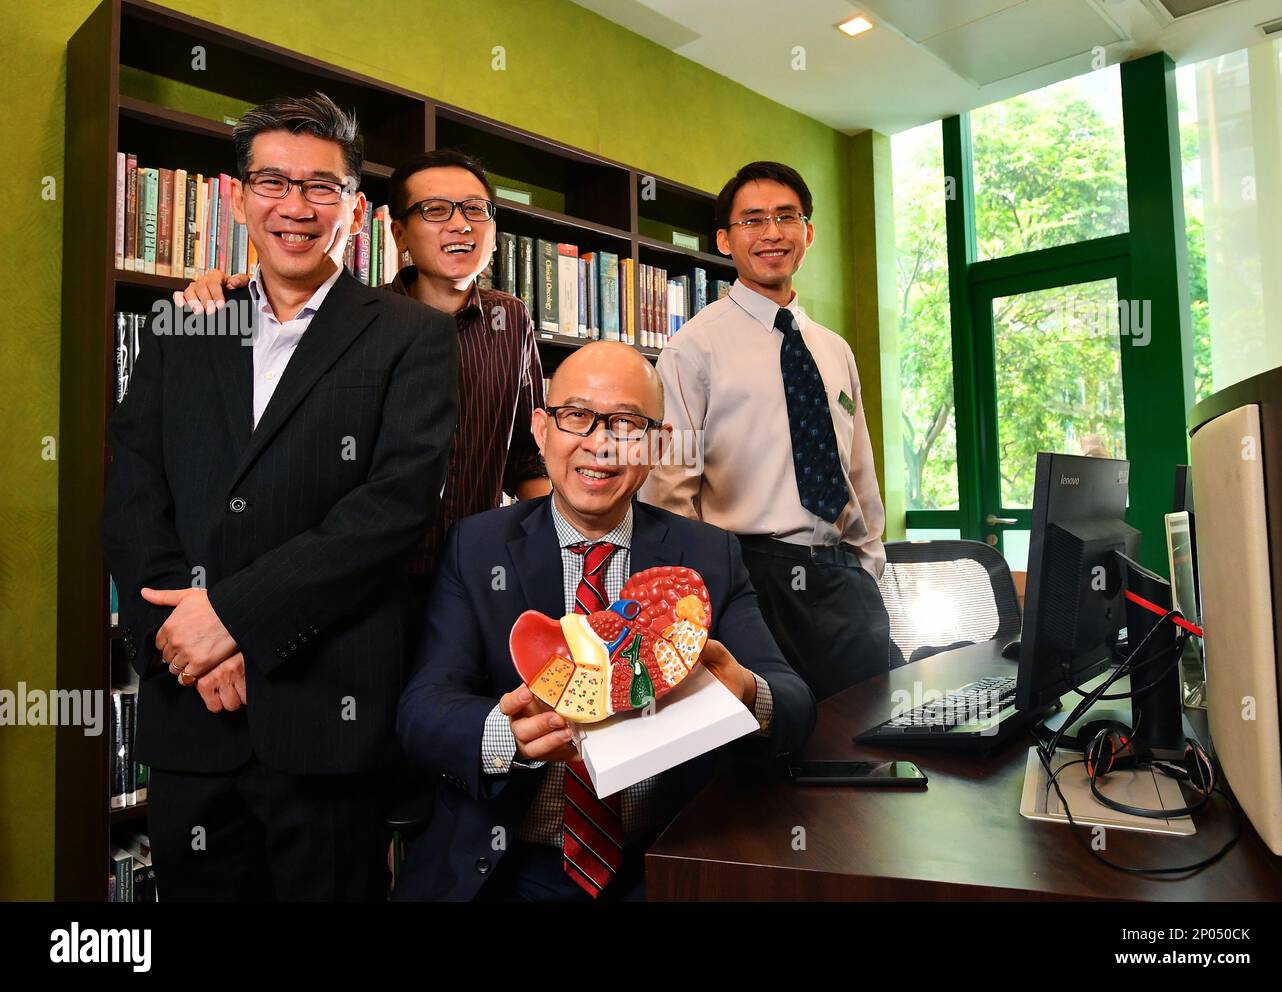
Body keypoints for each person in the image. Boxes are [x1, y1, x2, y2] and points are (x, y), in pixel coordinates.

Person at [102, 92, 458, 900]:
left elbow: (392, 510)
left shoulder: (412, 337)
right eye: (272, 182)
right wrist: (178, 637)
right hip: (192, 711)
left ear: (354, 209)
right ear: (236, 196)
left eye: (321, 187)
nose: (295, 207)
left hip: (325, 715)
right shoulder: (183, 326)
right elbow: (131, 496)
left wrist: (233, 618)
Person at [395, 341, 816, 900]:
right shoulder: (477, 548)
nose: (600, 444)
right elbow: (422, 710)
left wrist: (745, 691)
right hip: (510, 864)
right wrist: (506, 736)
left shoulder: (708, 557)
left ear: (660, 444)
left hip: (659, 864)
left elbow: (794, 702)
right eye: (576, 417)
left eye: (626, 424)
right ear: (542, 430)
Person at [176, 148, 551, 617]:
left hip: (475, 582)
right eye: (436, 210)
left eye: (476, 210)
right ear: (399, 233)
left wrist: (548, 564)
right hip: (368, 589)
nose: (461, 225)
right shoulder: (355, 322)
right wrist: (221, 294)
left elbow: (527, 460)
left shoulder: (510, 319)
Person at [641, 161, 890, 700]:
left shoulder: (834, 349)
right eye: (752, 220)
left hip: (843, 578)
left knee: (874, 738)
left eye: (786, 216)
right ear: (725, 240)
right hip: (753, 579)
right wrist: (704, 600)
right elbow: (669, 490)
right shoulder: (694, 347)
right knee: (774, 749)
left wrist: (870, 569)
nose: (772, 232)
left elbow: (859, 469)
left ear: (808, 233)